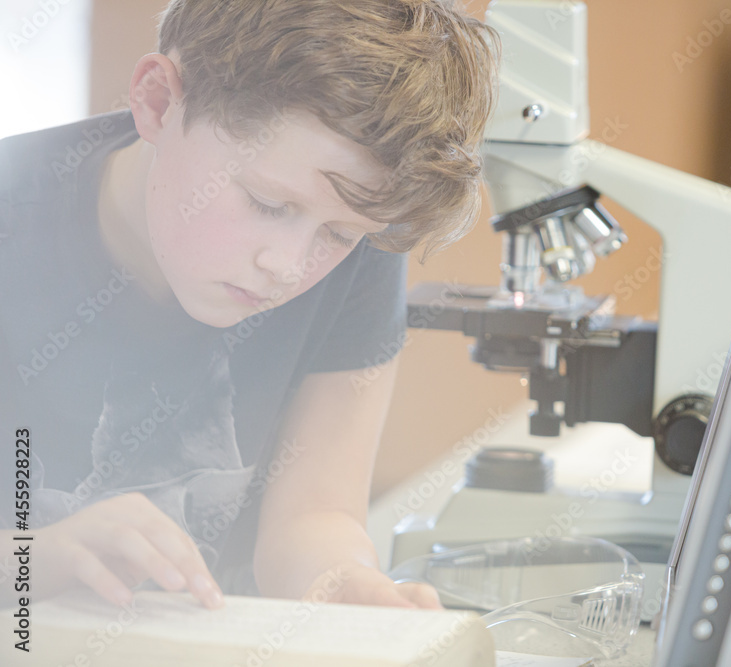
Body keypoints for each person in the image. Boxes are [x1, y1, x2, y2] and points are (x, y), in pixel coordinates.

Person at [0, 0, 498, 612]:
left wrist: (340, 584)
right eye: (267, 202)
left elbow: (314, 514)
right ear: (157, 101)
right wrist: (33, 558)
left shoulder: (360, 241)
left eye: (338, 236)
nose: (288, 267)